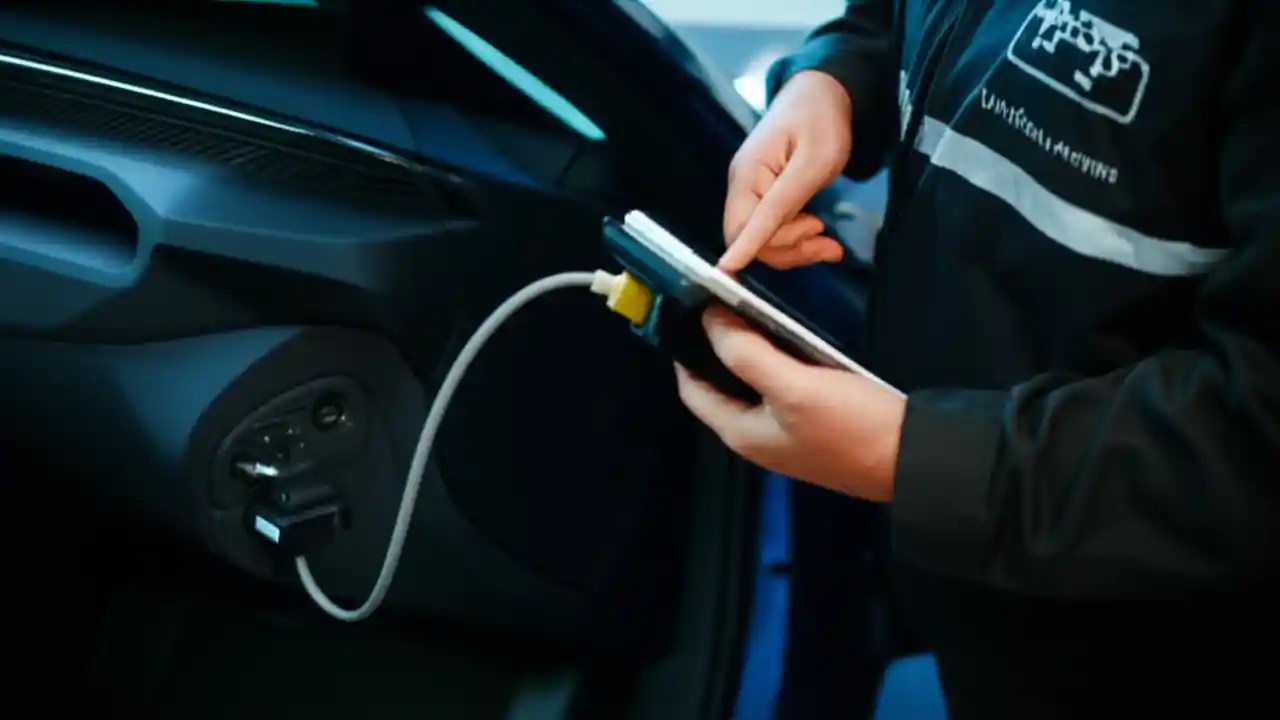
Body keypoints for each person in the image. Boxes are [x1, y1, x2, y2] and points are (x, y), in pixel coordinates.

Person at [673, 0, 1280, 716]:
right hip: (967, 577)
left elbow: (1257, 431)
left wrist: (913, 456)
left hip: (1144, 646)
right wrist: (830, 80)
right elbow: (888, 18)